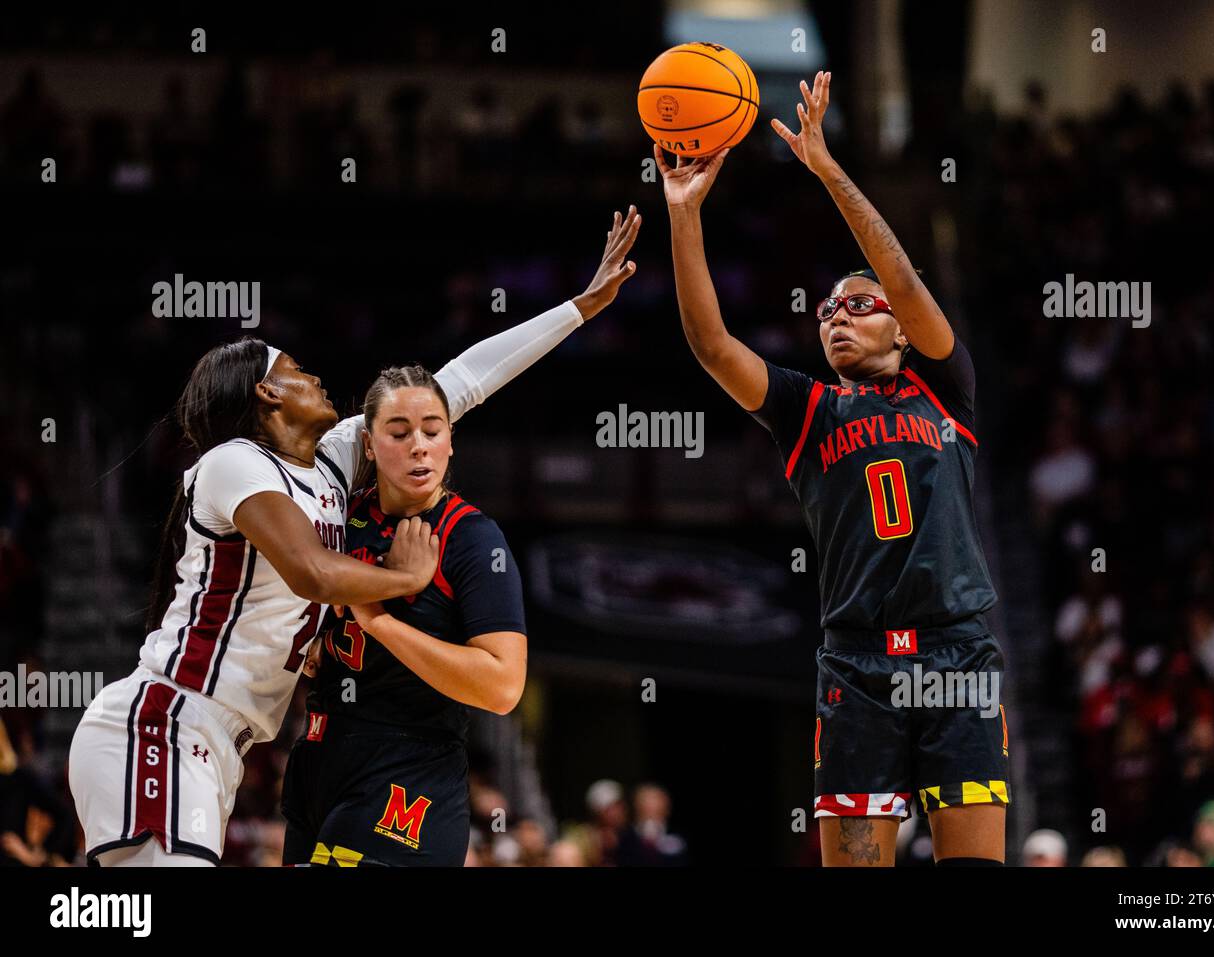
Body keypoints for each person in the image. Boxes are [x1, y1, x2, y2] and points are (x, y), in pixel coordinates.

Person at [68, 207, 641, 866]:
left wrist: (579, 308)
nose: (315, 375)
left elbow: (462, 381)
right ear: (267, 395)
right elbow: (312, 572)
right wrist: (402, 580)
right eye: (294, 368)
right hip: (167, 723)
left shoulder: (336, 461)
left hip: (219, 744)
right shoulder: (234, 462)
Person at [656, 71, 1007, 866]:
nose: (836, 317)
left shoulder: (945, 386)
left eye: (857, 305)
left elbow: (904, 279)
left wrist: (826, 169)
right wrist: (684, 215)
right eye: (825, 311)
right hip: (858, 660)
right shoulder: (808, 409)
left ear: (902, 330)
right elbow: (712, 345)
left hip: (957, 653)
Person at [280, 367, 527, 866]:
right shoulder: (338, 515)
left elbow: (502, 686)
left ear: (450, 441)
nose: (419, 447)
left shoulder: (472, 539)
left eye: (433, 431)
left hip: (407, 775)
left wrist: (380, 622)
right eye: (399, 433)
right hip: (318, 759)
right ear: (368, 446)